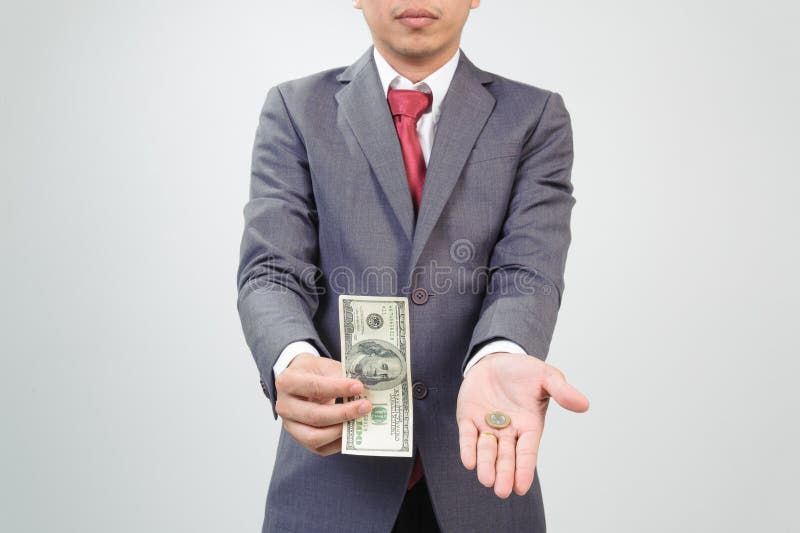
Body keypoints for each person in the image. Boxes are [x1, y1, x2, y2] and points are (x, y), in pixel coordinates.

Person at [236, 1, 590, 531]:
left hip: (481, 475)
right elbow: (271, 270)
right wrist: (290, 359)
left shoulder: (534, 117)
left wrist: (501, 352)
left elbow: (528, 271)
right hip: (331, 482)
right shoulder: (295, 109)